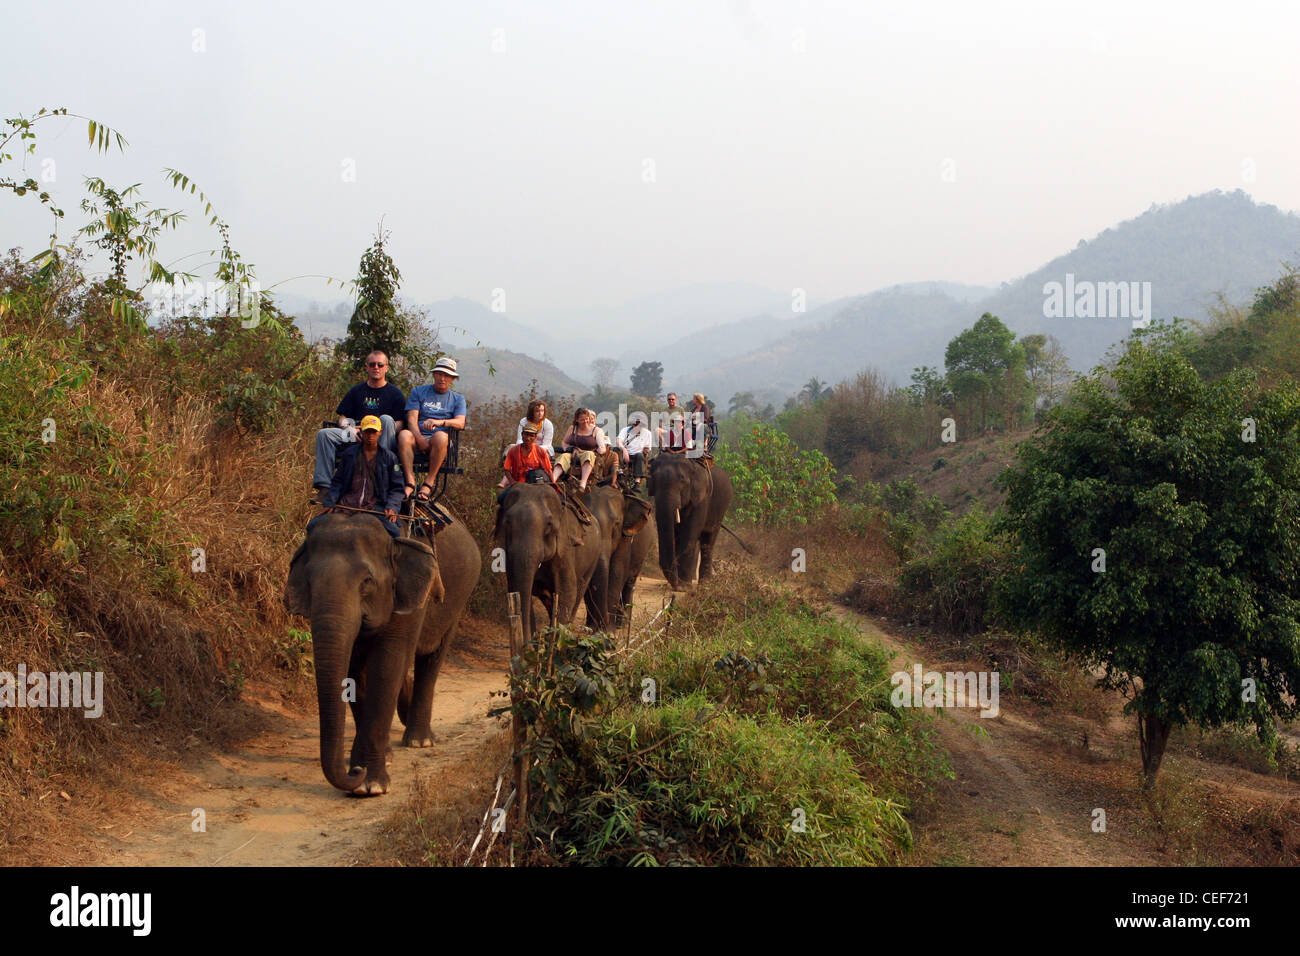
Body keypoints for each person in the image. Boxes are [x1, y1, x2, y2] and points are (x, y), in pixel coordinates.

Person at [312, 349, 405, 498]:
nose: (376, 367)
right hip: (356, 435)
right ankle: (325, 487)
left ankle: (379, 474)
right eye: (372, 364)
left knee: (387, 420)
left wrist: (375, 430)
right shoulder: (356, 391)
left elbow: (400, 423)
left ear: (386, 368)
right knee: (324, 434)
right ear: (366, 367)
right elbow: (342, 417)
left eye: (380, 365)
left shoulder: (395, 394)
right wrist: (349, 428)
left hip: (380, 437)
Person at [310, 415, 404, 538]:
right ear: (361, 432)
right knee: (312, 526)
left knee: (395, 532)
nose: (370, 435)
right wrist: (331, 502)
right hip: (347, 504)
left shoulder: (389, 457)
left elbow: (397, 487)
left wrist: (392, 507)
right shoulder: (349, 454)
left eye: (373, 432)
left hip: (374, 506)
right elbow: (337, 482)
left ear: (380, 433)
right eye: (367, 431)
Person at [399, 356, 467, 501]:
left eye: (447, 375)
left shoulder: (458, 399)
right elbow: (411, 419)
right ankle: (410, 480)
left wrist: (441, 422)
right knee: (404, 434)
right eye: (440, 374)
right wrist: (419, 438)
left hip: (439, 442)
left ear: (452, 379)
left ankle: (429, 482)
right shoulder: (418, 391)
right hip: (417, 437)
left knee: (441, 437)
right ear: (434, 375)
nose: (443, 378)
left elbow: (460, 423)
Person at [551, 407, 609, 492]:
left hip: (589, 453)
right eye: (582, 420)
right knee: (563, 457)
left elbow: (602, 448)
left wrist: (599, 450)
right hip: (573, 453)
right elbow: (564, 442)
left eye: (587, 419)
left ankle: (583, 482)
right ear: (577, 420)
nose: (585, 422)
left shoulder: (596, 430)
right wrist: (567, 449)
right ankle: (553, 480)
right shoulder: (572, 428)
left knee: (588, 455)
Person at [497, 421, 555, 503]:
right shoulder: (513, 451)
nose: (528, 438)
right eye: (526, 434)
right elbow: (506, 469)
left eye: (531, 435)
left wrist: (553, 485)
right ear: (522, 435)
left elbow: (549, 469)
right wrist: (513, 482)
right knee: (500, 499)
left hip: (536, 484)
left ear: (535, 437)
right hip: (518, 485)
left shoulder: (540, 451)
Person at [616, 412, 654, 485]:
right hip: (624, 454)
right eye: (635, 423)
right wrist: (624, 450)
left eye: (638, 424)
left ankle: (637, 481)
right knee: (616, 449)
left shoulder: (648, 433)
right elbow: (618, 441)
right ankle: (620, 472)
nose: (636, 425)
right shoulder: (625, 430)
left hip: (637, 455)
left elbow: (648, 448)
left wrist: (646, 450)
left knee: (640, 455)